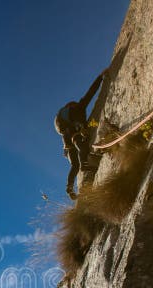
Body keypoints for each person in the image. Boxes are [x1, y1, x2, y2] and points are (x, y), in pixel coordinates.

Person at [55, 70, 106, 200]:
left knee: (74, 165)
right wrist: (100, 77)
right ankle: (85, 164)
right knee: (81, 146)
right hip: (74, 134)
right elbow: (90, 93)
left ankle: (69, 187)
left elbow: (90, 93)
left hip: (66, 140)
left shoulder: (64, 120)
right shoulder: (79, 107)